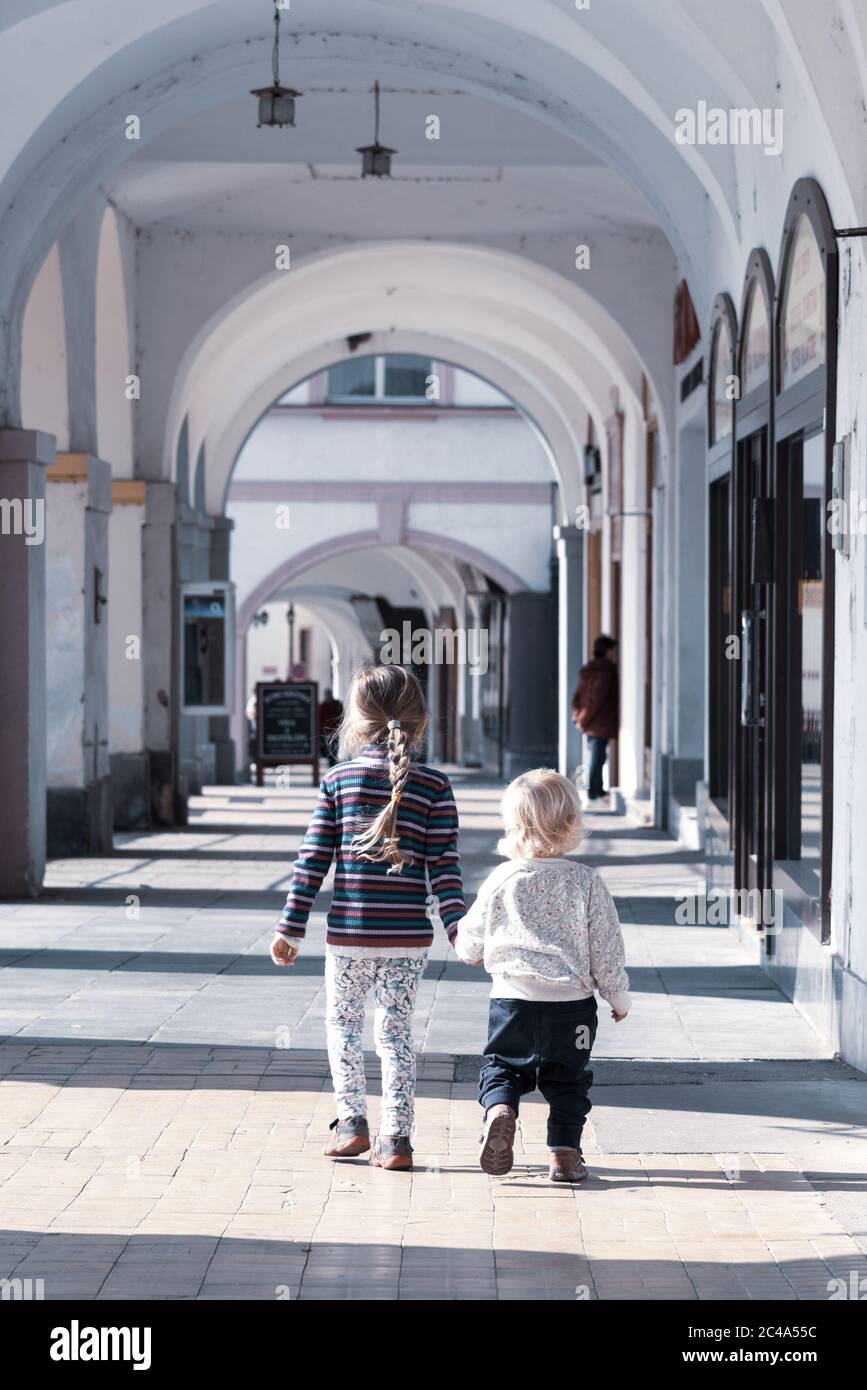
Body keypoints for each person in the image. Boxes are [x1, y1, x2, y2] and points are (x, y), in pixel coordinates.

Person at [270, 664, 465, 1171]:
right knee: (396, 1033)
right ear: (421, 722)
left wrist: (291, 928)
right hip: (408, 939)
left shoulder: (338, 781)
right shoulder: (436, 788)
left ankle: (351, 1124)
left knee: (343, 1025)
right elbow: (445, 867)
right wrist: (457, 927)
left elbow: (311, 861)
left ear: (354, 724)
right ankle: (397, 1138)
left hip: (349, 937)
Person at [455, 769, 630, 1183]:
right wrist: (619, 998)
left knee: (501, 1066)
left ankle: (500, 1109)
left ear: (512, 825)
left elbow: (472, 938)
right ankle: (565, 1156)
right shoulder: (586, 882)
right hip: (571, 1007)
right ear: (573, 824)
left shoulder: (502, 878)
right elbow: (606, 948)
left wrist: (469, 952)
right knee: (569, 1082)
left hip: (511, 1000)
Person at [572, 635, 619, 801]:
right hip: (599, 721)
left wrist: (578, 716)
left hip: (592, 720)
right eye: (613, 650)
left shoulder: (589, 669)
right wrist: (582, 719)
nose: (615, 654)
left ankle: (596, 788)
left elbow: (577, 696)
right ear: (607, 651)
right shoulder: (605, 672)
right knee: (597, 757)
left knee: (598, 756)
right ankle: (593, 790)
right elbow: (596, 699)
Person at [318, 687, 343, 766]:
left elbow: (341, 715)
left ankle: (333, 760)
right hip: (326, 731)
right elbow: (319, 718)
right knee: (328, 747)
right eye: (326, 695)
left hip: (335, 730)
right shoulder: (322, 706)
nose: (328, 696)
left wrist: (340, 726)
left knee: (335, 746)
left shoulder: (337, 704)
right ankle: (330, 761)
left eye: (329, 694)